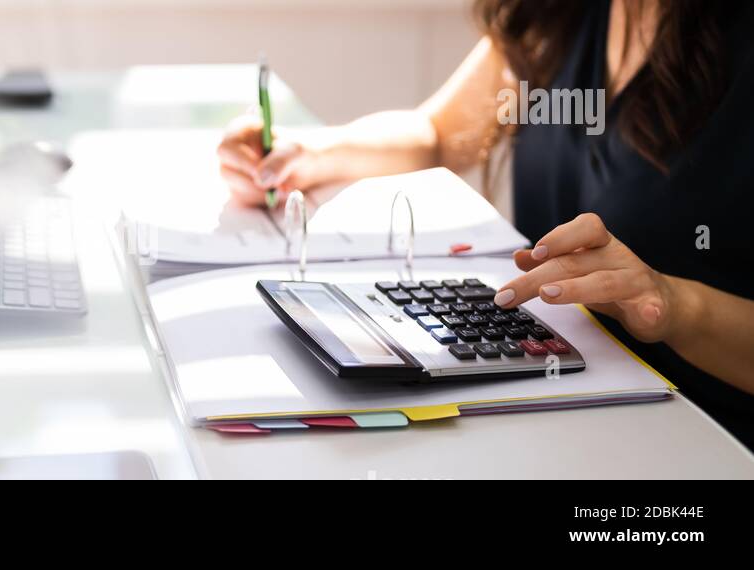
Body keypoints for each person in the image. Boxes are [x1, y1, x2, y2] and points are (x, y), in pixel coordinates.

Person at [218, 0, 754, 448]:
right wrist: (307, 153)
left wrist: (675, 307)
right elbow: (440, 131)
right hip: (556, 414)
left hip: (704, 445)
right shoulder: (557, 13)